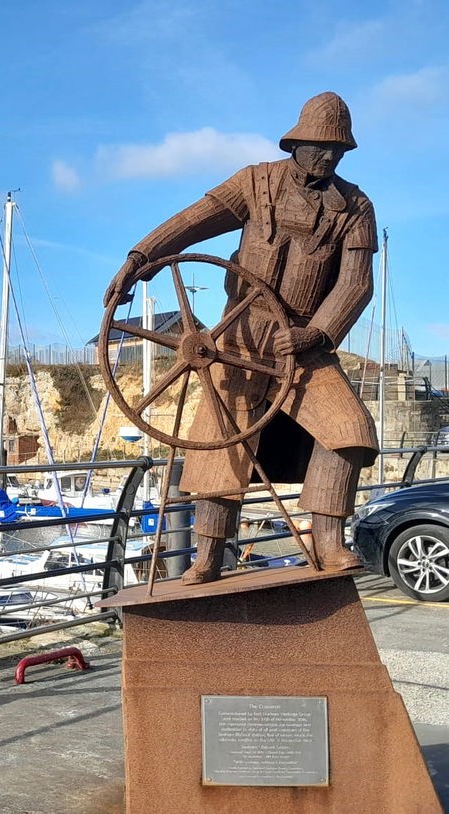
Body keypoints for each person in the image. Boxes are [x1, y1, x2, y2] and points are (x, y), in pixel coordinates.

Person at [104, 92, 377, 585]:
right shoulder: (255, 182)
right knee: (216, 446)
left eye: (338, 149)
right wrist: (139, 259)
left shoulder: (355, 207)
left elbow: (356, 282)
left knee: (350, 432)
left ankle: (330, 541)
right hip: (235, 348)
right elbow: (193, 221)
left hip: (305, 352)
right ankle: (208, 555)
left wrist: (316, 332)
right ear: (296, 142)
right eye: (320, 146)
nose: (329, 156)